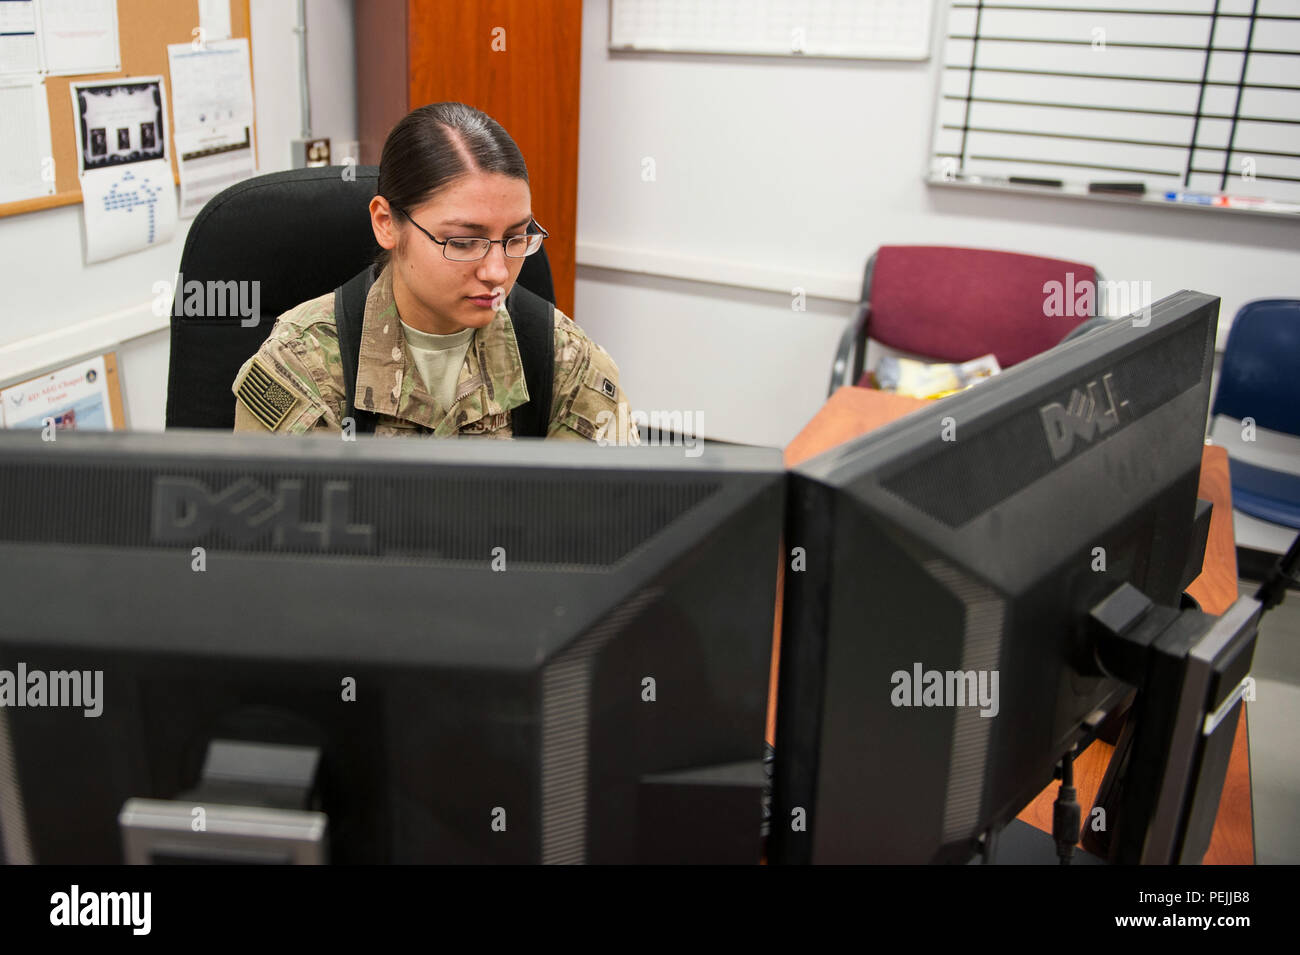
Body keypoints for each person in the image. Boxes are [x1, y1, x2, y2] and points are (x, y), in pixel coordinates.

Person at [232, 102, 636, 442]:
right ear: (386, 223)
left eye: (516, 238)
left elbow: (618, 523)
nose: (497, 272)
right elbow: (269, 530)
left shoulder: (562, 358)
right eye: (462, 242)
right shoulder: (303, 362)